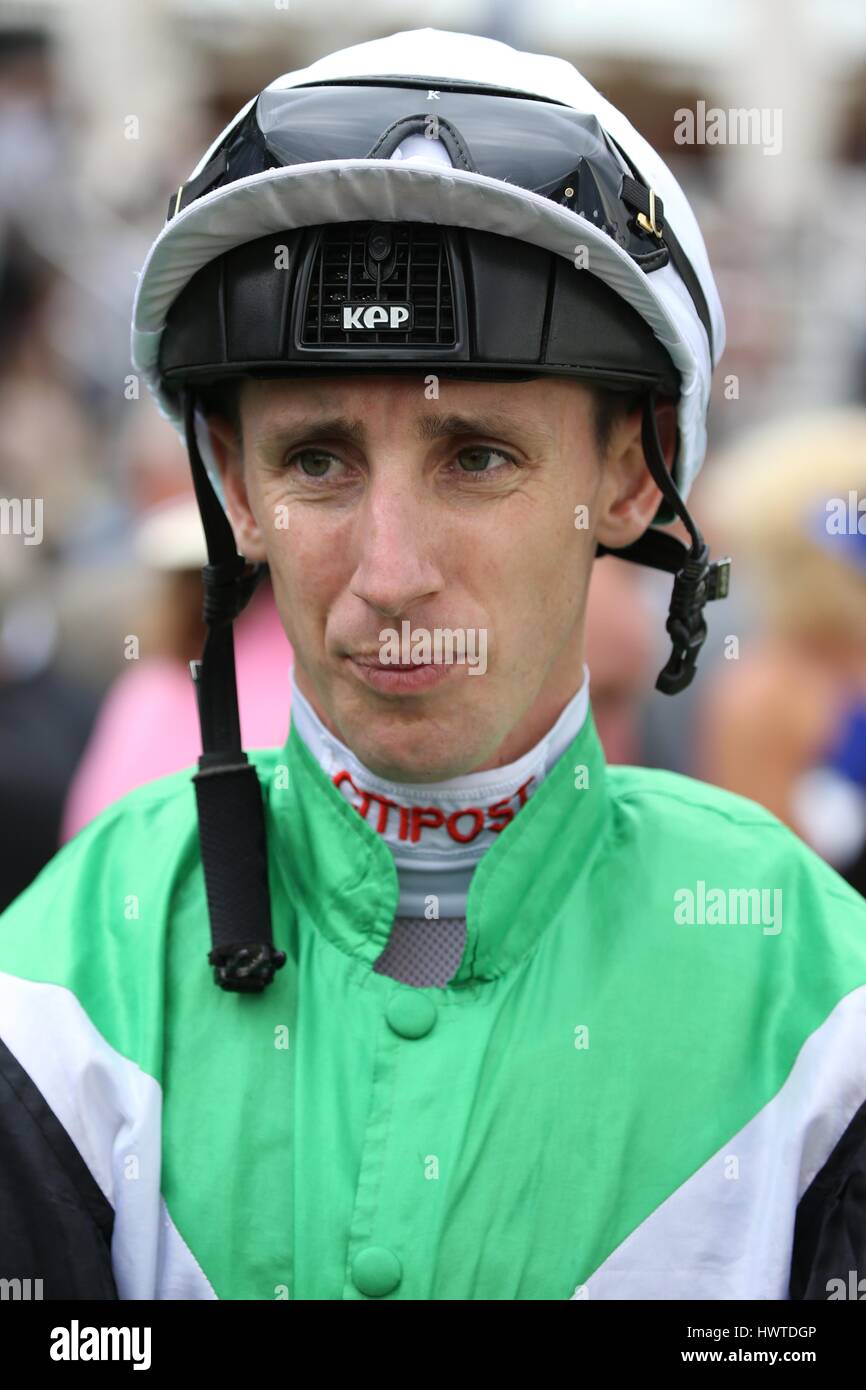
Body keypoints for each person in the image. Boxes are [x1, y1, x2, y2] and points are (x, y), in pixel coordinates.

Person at [0, 28, 864, 1302]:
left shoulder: (821, 1001)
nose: (390, 571)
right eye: (316, 461)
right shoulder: (62, 978)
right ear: (231, 486)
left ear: (633, 471)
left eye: (475, 458)